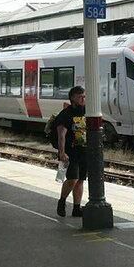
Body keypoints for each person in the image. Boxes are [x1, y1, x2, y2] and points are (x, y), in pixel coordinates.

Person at [56, 86, 88, 217]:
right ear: (73, 98)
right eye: (80, 97)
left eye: (84, 96)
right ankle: (62, 201)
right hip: (71, 152)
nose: (83, 99)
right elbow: (61, 134)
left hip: (84, 151)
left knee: (80, 179)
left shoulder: (87, 111)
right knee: (72, 179)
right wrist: (62, 152)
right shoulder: (65, 114)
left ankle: (76, 208)